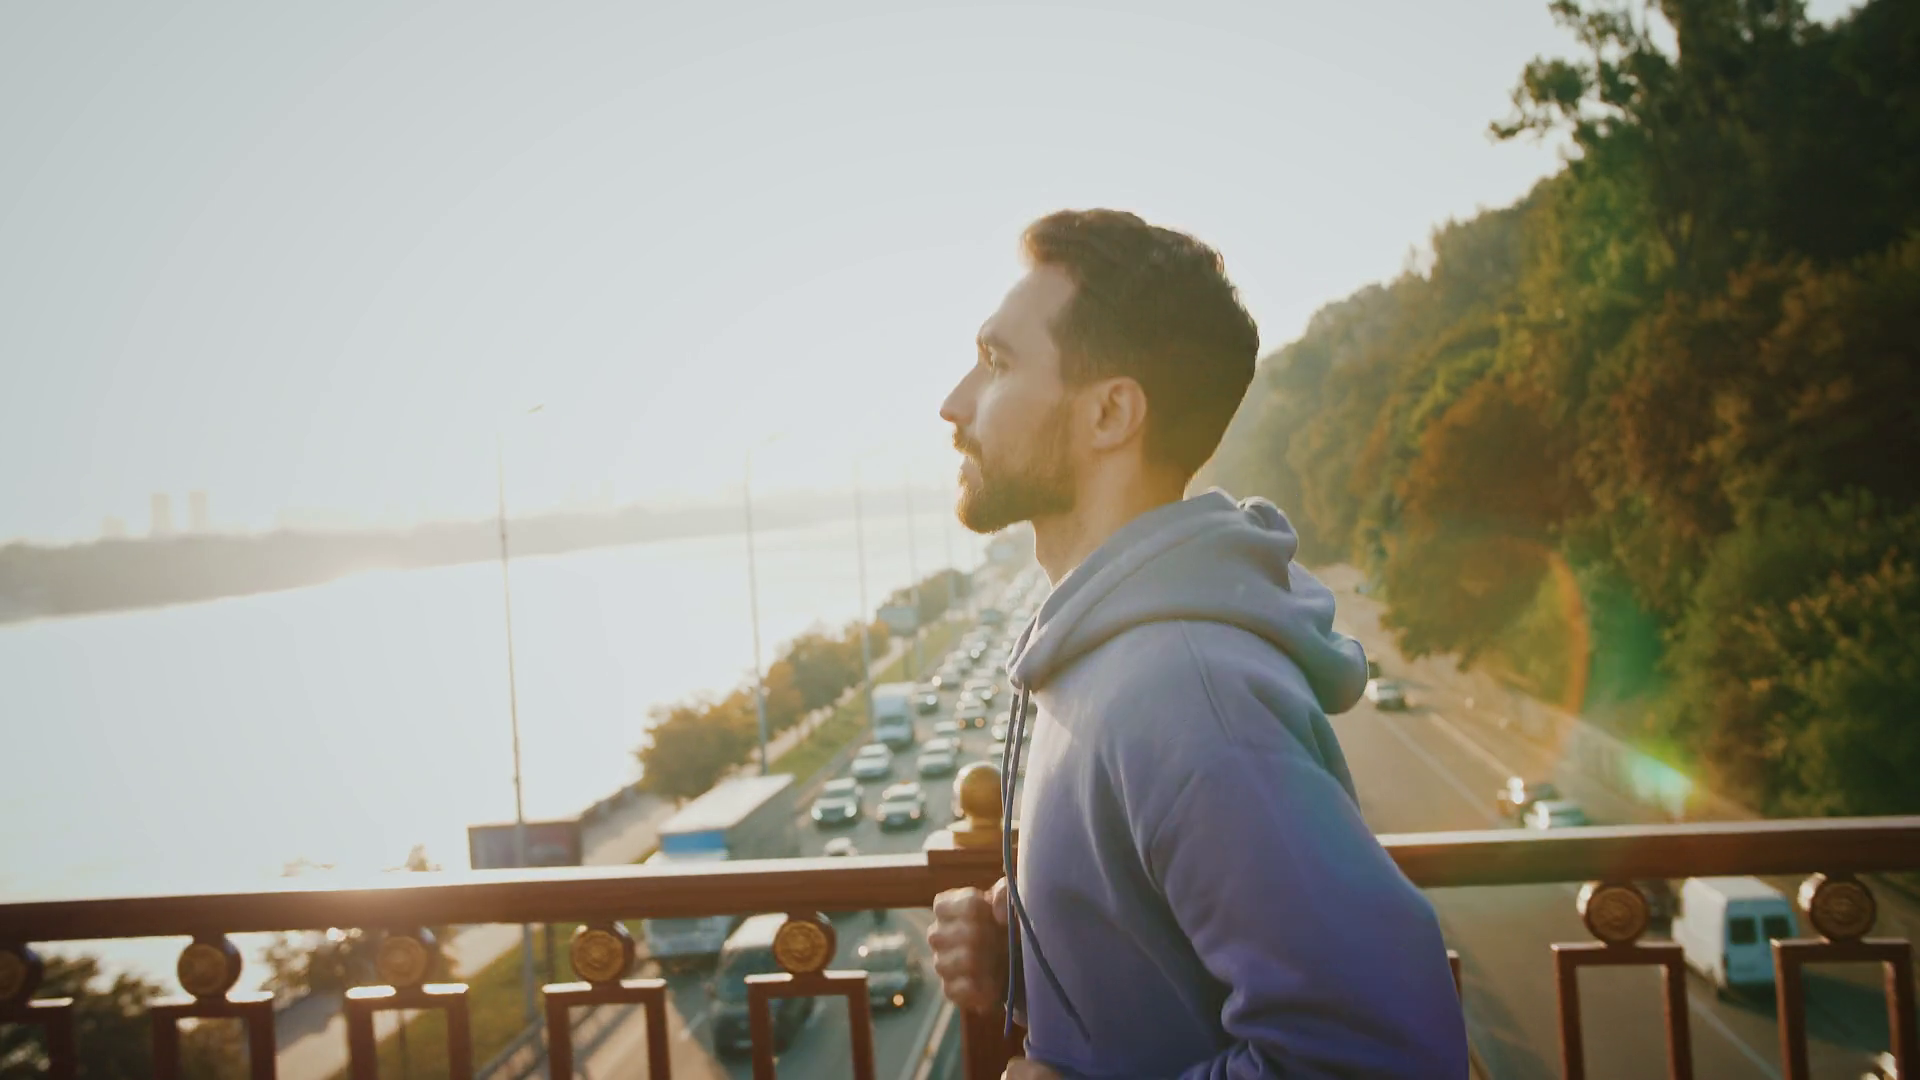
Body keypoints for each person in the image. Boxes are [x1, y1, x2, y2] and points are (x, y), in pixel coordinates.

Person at [927, 209, 1468, 1078]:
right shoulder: (1109, 660)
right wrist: (1024, 945)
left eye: (996, 362)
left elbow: (1373, 1060)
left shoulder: (1183, 694)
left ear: (1111, 412)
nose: (953, 403)